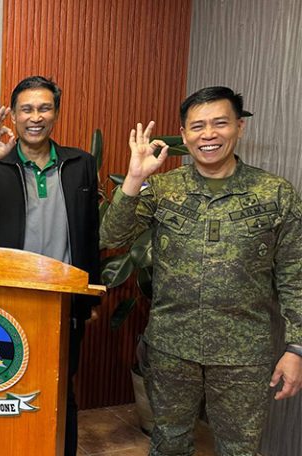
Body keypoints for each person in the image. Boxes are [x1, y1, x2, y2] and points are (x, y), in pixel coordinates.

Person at [100, 86, 302, 455]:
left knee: (240, 449)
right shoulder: (163, 188)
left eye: (219, 123)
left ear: (239, 127)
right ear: (184, 135)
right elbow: (111, 235)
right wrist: (133, 178)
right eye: (197, 127)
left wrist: (297, 349)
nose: (208, 135)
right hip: (171, 348)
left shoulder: (275, 193)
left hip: (244, 354)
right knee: (169, 443)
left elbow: (295, 274)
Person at [0, 75, 101, 456]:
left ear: (56, 114)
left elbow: (89, 232)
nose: (35, 117)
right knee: (0, 390)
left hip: (62, 303)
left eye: (44, 108)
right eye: (26, 109)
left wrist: (90, 296)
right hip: (3, 304)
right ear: (13, 115)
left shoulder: (80, 163)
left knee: (60, 391)